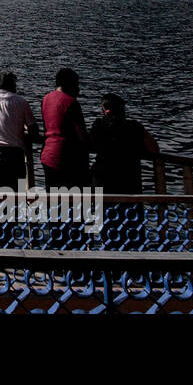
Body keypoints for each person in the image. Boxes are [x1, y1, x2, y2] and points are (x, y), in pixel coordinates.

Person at [88, 93, 158, 249]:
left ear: (104, 109)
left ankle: (111, 262)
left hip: (103, 183)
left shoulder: (98, 125)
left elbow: (90, 144)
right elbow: (154, 148)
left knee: (108, 225)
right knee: (132, 227)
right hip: (129, 183)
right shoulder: (134, 127)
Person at [0, 71, 41, 192]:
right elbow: (33, 129)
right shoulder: (21, 101)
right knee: (17, 196)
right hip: (15, 155)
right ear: (12, 85)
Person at [40, 68, 89, 189]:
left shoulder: (46, 99)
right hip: (66, 159)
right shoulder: (71, 103)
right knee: (72, 202)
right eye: (76, 84)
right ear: (70, 84)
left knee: (53, 202)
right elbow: (82, 136)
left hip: (47, 156)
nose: (78, 88)